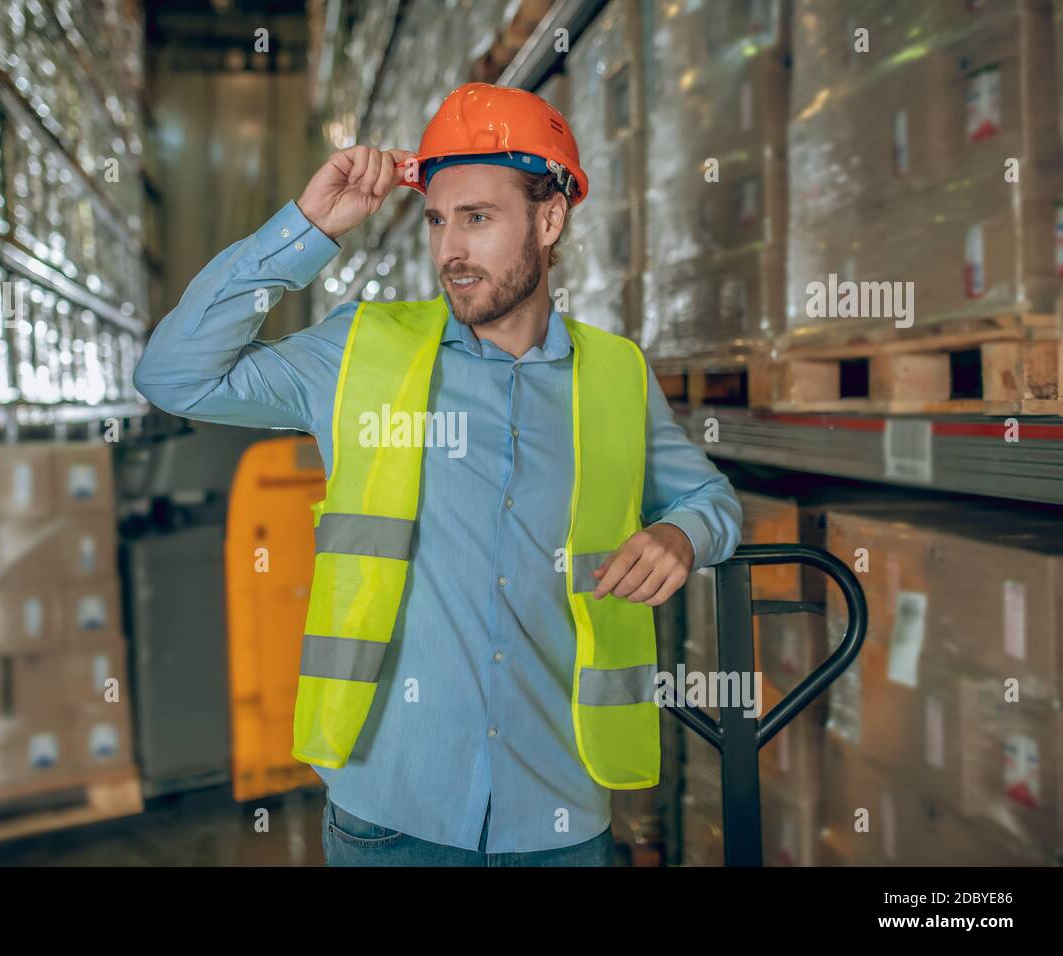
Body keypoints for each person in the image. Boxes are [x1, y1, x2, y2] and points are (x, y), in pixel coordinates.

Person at [133, 83, 742, 867]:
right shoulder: (363, 350)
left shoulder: (617, 374)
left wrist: (680, 535)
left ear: (549, 219)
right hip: (391, 812)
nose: (450, 248)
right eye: (436, 220)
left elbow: (710, 499)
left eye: (478, 218)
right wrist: (308, 231)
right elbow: (173, 374)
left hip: (558, 814)